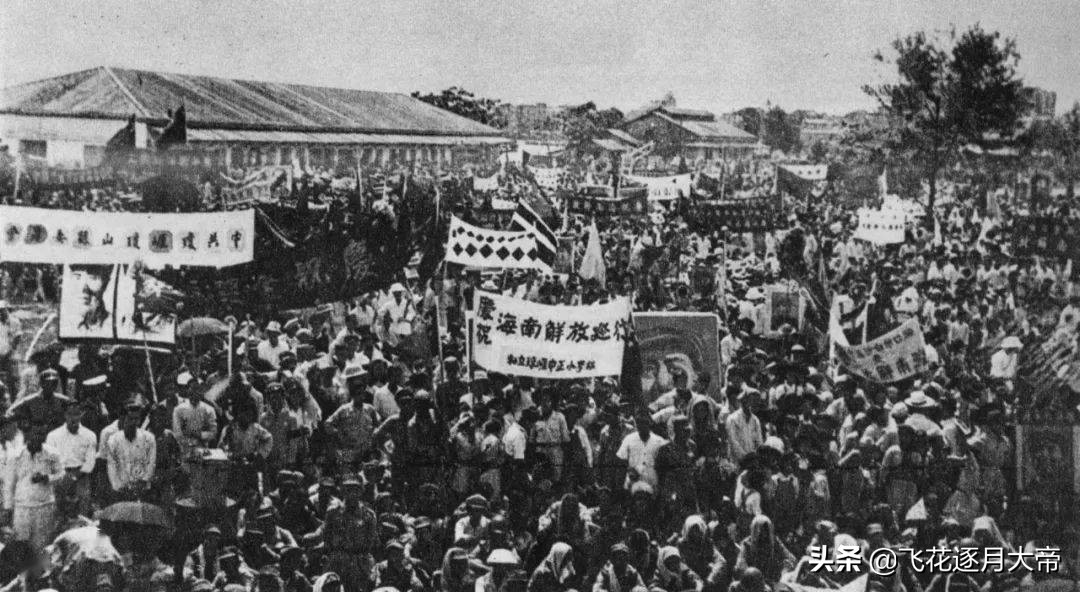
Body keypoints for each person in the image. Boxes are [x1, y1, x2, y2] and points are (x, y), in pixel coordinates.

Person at [1, 425, 62, 551]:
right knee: (20, 546)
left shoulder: (52, 453)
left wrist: (47, 478)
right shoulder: (16, 455)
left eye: (40, 435)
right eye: (34, 434)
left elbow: (61, 474)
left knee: (41, 546)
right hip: (22, 508)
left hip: (44, 506)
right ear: (28, 435)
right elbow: (9, 484)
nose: (37, 438)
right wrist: (8, 508)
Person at [320, 477, 377, 592]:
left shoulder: (368, 514)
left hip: (359, 559)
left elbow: (370, 540)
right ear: (342, 492)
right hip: (338, 558)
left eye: (356, 490)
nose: (352, 494)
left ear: (361, 492)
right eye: (348, 490)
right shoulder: (333, 512)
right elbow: (326, 535)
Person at [44, 400, 96, 519]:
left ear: (81, 414)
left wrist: (74, 477)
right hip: (60, 477)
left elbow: (90, 462)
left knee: (82, 515)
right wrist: (62, 477)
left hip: (81, 477)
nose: (73, 418)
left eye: (76, 414)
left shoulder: (90, 435)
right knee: (60, 515)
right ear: (65, 415)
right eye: (70, 414)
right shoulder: (53, 436)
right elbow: (50, 462)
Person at [104, 403, 156, 501]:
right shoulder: (113, 440)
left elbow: (151, 464)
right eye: (130, 419)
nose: (133, 422)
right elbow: (111, 466)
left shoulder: (149, 438)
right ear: (123, 419)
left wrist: (142, 482)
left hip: (142, 490)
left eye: (136, 419)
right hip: (121, 492)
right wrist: (119, 487)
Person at [616, 411, 667, 490]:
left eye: (644, 422)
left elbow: (664, 467)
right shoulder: (628, 439)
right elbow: (621, 462)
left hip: (652, 486)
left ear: (649, 422)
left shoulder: (659, 441)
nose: (642, 425)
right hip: (632, 486)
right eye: (639, 422)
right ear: (636, 424)